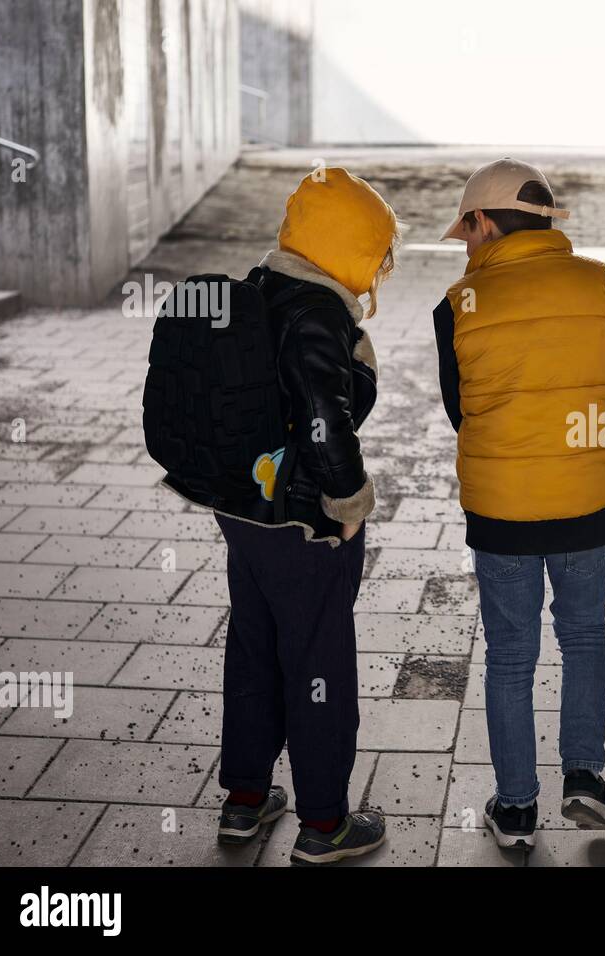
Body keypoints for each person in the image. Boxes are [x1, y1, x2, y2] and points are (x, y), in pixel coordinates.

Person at [191, 167, 399, 864]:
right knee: (318, 662)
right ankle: (325, 824)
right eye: (375, 250)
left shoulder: (257, 290)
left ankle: (245, 802)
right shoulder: (317, 311)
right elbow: (322, 421)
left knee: (253, 650)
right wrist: (349, 503)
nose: (380, 268)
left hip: (243, 512)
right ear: (346, 247)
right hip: (302, 522)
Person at [433, 158, 605, 850]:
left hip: (502, 508)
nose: (465, 246)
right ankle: (585, 777)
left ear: (485, 223)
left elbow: (458, 407)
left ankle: (517, 808)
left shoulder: (456, 305)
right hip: (588, 494)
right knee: (584, 634)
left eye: (466, 231)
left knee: (512, 652)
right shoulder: (596, 282)